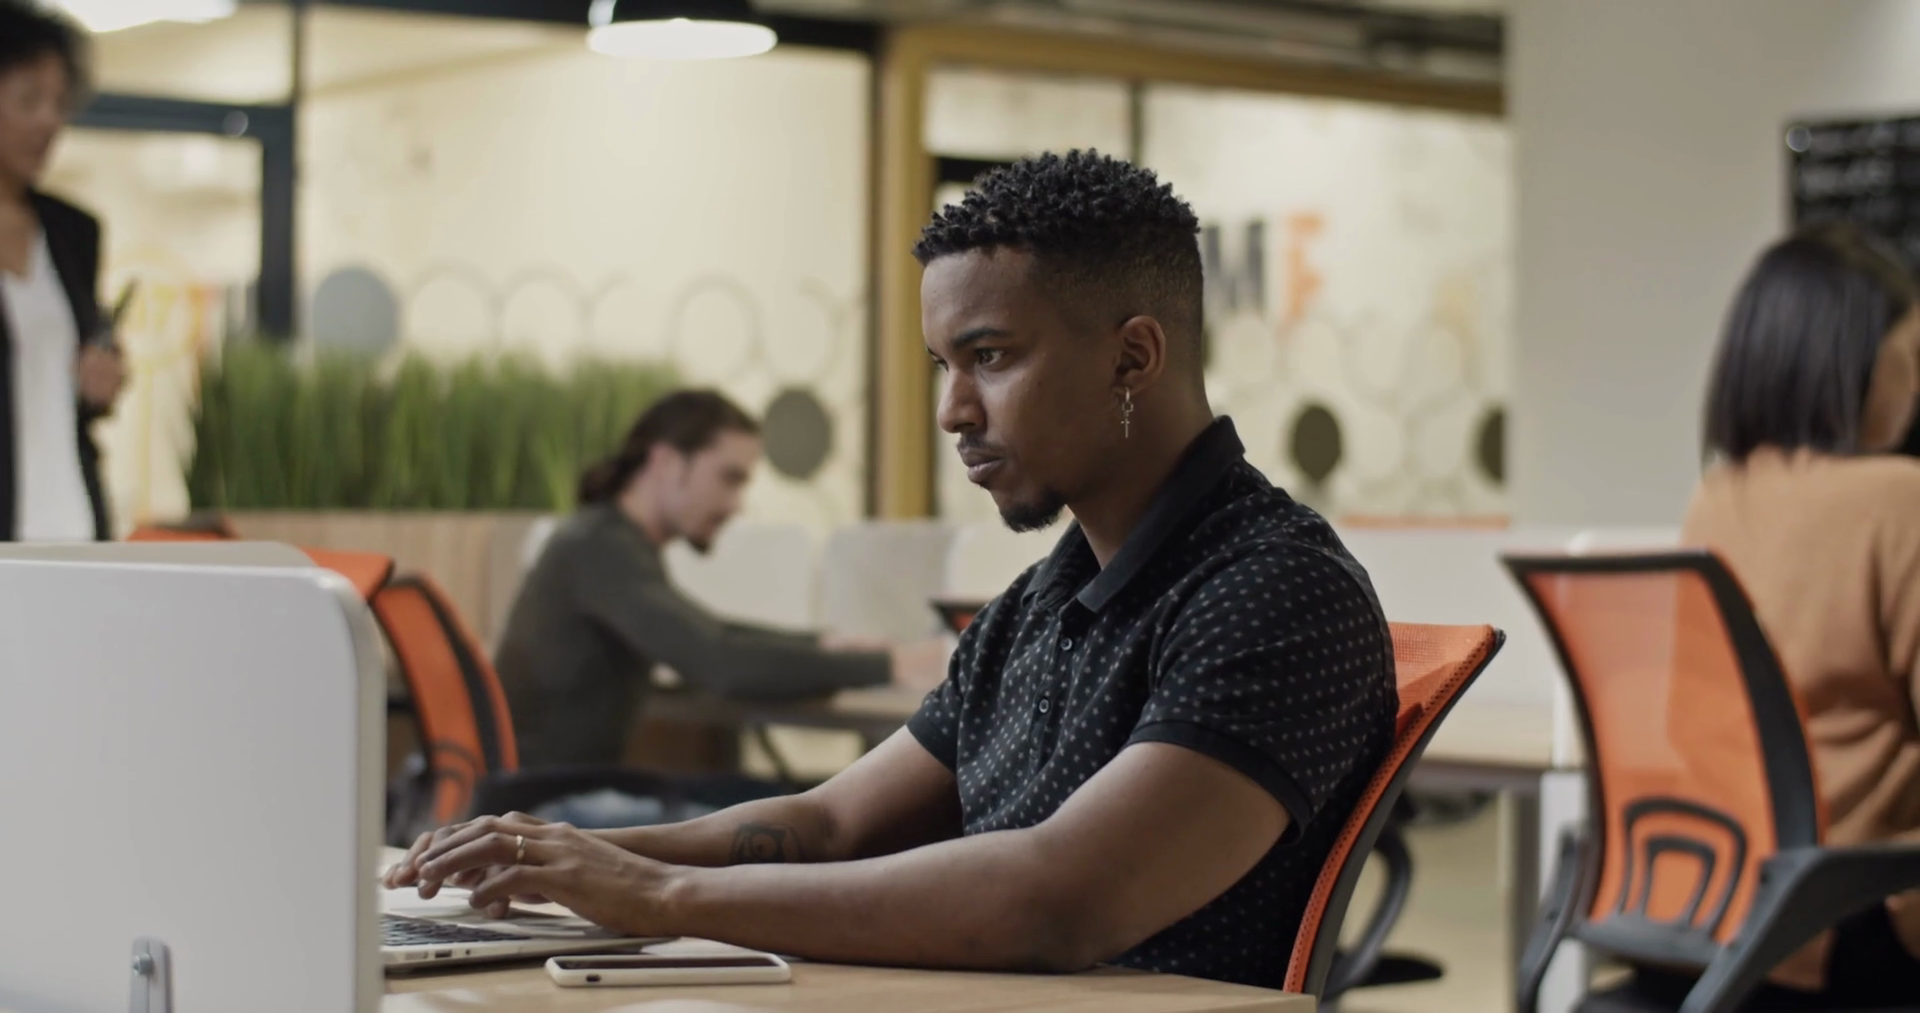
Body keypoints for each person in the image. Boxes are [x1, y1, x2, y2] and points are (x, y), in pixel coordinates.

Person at [390, 151, 1396, 989]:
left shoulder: (1276, 590)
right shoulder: (1041, 599)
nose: (954, 409)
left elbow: (1060, 897)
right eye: (942, 366)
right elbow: (831, 820)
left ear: (1134, 357)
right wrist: (569, 859)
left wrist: (657, 895)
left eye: (991, 356)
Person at [1616, 224, 1920, 1009]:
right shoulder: (1897, 498)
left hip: (1710, 914)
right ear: (1852, 362)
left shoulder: (1716, 497)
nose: (1917, 384)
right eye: (1909, 357)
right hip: (1849, 924)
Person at [495, 389, 948, 795]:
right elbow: (718, 659)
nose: (736, 505)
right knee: (798, 810)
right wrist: (891, 664)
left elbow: (710, 631)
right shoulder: (598, 548)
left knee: (801, 801)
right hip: (549, 805)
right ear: (669, 463)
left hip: (560, 791)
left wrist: (821, 644)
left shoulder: (605, 540)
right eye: (728, 478)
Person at [0, 1, 123, 543]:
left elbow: (64, 376)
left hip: (70, 524)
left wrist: (101, 379)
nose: (51, 121)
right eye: (29, 99)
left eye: (59, 103)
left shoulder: (74, 231)